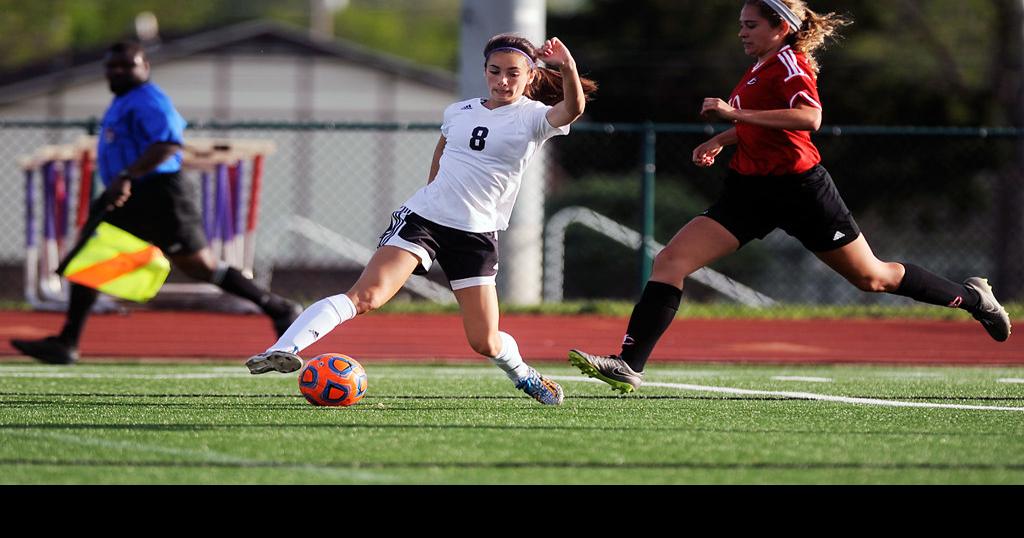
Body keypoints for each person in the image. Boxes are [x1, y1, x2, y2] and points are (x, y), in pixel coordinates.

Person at [569, 0, 1012, 394]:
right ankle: (629, 364)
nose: (742, 32)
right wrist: (723, 137)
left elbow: (809, 117)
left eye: (751, 25)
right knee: (671, 261)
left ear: (780, 27)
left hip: (800, 191)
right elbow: (762, 121)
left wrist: (732, 113)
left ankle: (974, 299)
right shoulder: (761, 65)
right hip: (749, 191)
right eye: (741, 24)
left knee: (872, 277)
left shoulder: (789, 62)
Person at [245, 34, 596, 405]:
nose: (502, 80)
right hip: (424, 219)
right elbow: (443, 150)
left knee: (485, 341)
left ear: (531, 76)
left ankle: (523, 374)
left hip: (476, 235)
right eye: (495, 71)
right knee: (367, 296)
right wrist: (433, 195)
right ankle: (283, 348)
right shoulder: (458, 111)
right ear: (484, 71)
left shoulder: (534, 117)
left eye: (513, 73)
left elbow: (572, 109)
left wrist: (567, 66)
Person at [11, 41, 302, 365]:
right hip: (134, 194)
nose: (118, 71)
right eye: (112, 66)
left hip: (161, 194)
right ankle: (67, 342)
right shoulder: (123, 101)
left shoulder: (149, 99)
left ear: (145, 67)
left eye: (127, 66)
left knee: (200, 266)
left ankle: (279, 308)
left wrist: (126, 176)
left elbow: (168, 144)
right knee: (93, 252)